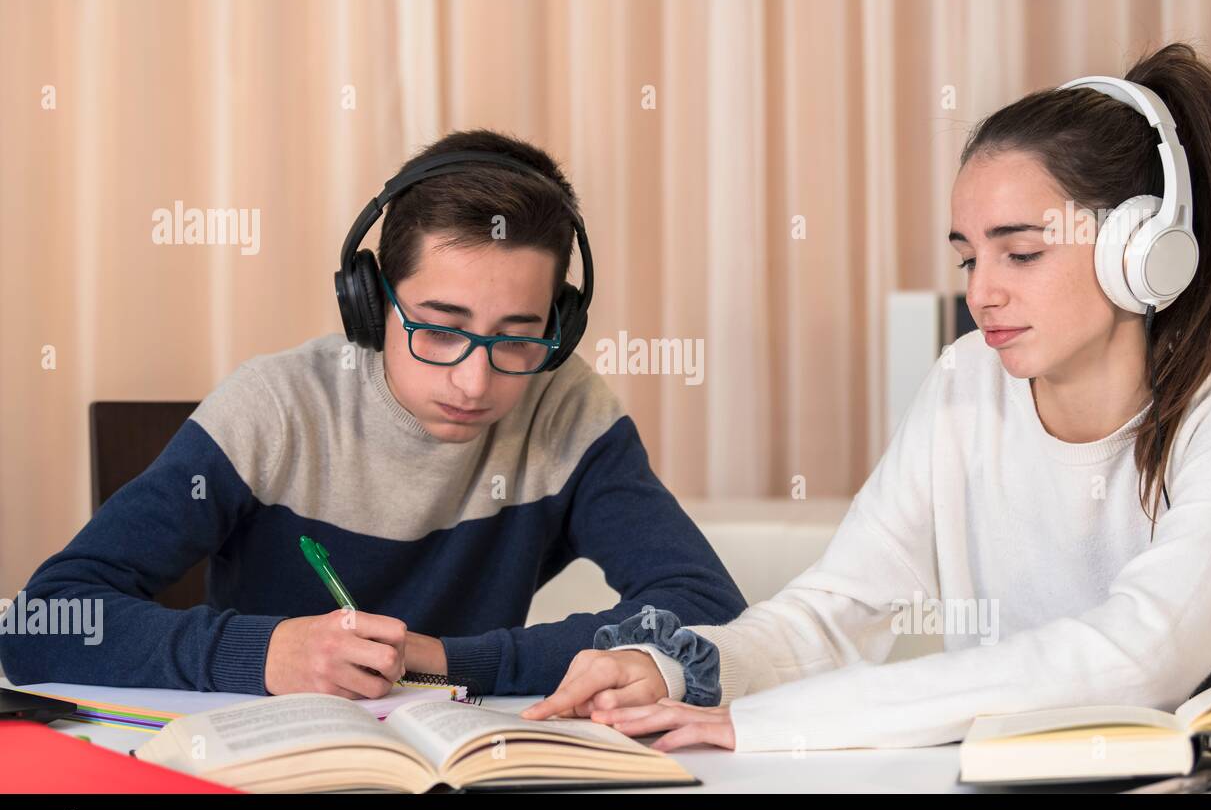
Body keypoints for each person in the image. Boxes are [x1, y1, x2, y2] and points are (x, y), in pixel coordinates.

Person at [523, 42, 1211, 752]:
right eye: (968, 259)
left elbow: (1141, 656)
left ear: (1141, 249)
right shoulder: (966, 380)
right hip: (1007, 773)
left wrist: (759, 725)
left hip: (1204, 790)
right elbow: (832, 614)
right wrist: (677, 670)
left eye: (1022, 252)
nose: (982, 292)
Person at [0, 129, 746, 698]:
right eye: (442, 327)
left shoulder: (568, 406)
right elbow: (44, 623)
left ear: (561, 326)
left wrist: (452, 660)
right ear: (370, 302)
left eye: (519, 338)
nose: (475, 380)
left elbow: (706, 609)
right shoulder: (274, 409)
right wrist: (262, 654)